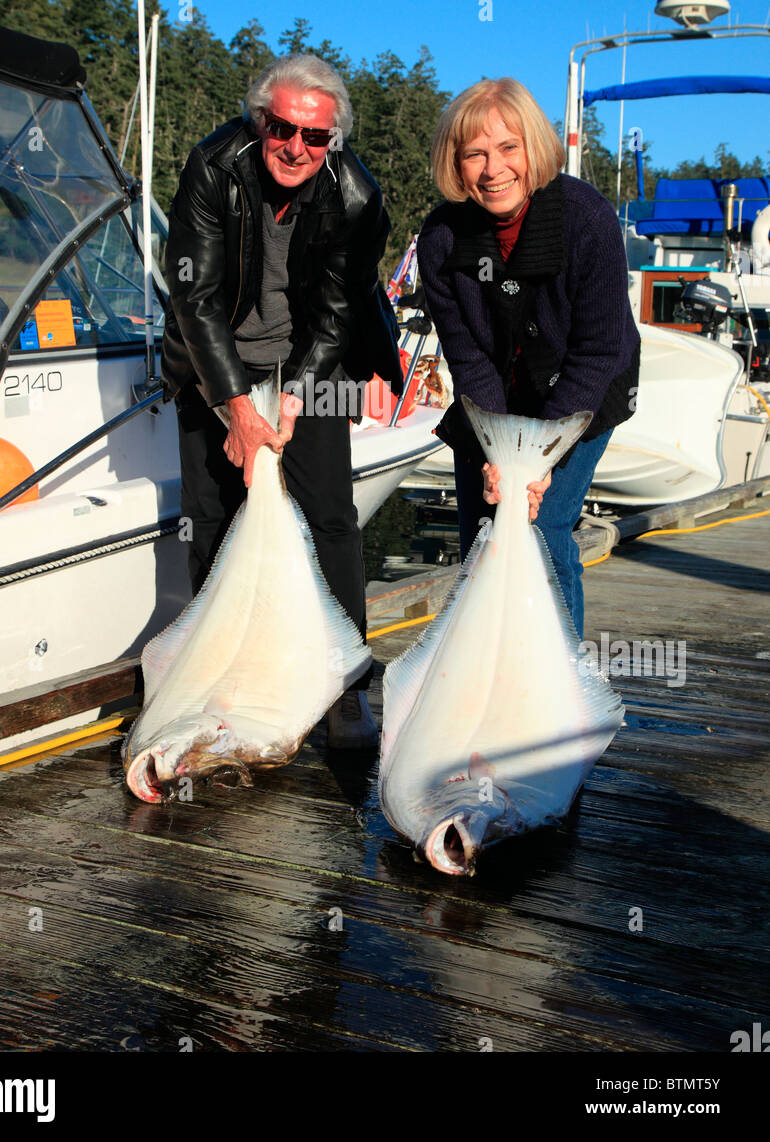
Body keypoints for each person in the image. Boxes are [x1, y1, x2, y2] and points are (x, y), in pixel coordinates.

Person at [160, 53, 402, 746]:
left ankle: (346, 683)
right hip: (216, 360)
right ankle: (217, 675)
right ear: (259, 119)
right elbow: (195, 298)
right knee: (209, 517)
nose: (296, 147)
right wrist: (236, 406)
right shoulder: (212, 167)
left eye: (316, 136)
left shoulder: (357, 199)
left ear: (334, 142)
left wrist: (294, 398)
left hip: (310, 361)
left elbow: (337, 312)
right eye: (282, 128)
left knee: (330, 517)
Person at [416, 77, 640, 637]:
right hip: (494, 397)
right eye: (474, 154)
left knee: (544, 528)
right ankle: (488, 672)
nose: (493, 169)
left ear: (533, 148)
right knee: (483, 532)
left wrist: (537, 461)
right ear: (456, 163)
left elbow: (596, 353)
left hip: (582, 391)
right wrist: (497, 456)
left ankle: (561, 681)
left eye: (508, 148)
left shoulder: (585, 219)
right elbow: (467, 359)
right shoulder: (442, 239)